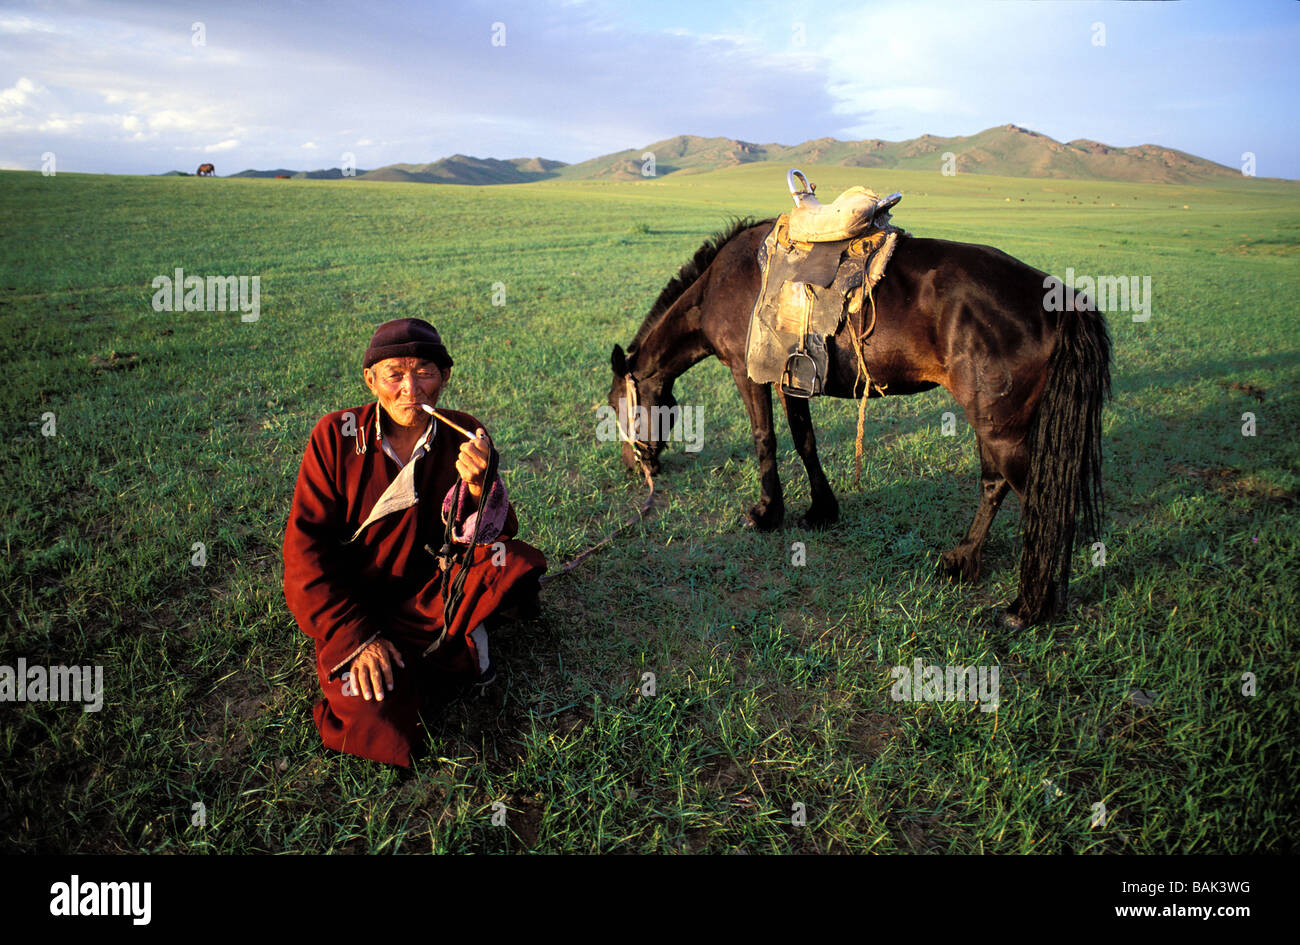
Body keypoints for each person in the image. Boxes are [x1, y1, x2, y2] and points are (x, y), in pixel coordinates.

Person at [282, 317, 546, 767]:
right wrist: (356, 637)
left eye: (425, 372)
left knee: (510, 563)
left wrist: (482, 485)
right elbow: (305, 552)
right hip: (358, 602)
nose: (411, 389)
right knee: (375, 723)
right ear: (371, 381)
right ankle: (439, 651)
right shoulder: (336, 436)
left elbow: (493, 534)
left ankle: (445, 641)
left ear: (445, 376)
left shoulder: (465, 433)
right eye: (394, 375)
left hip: (431, 594)